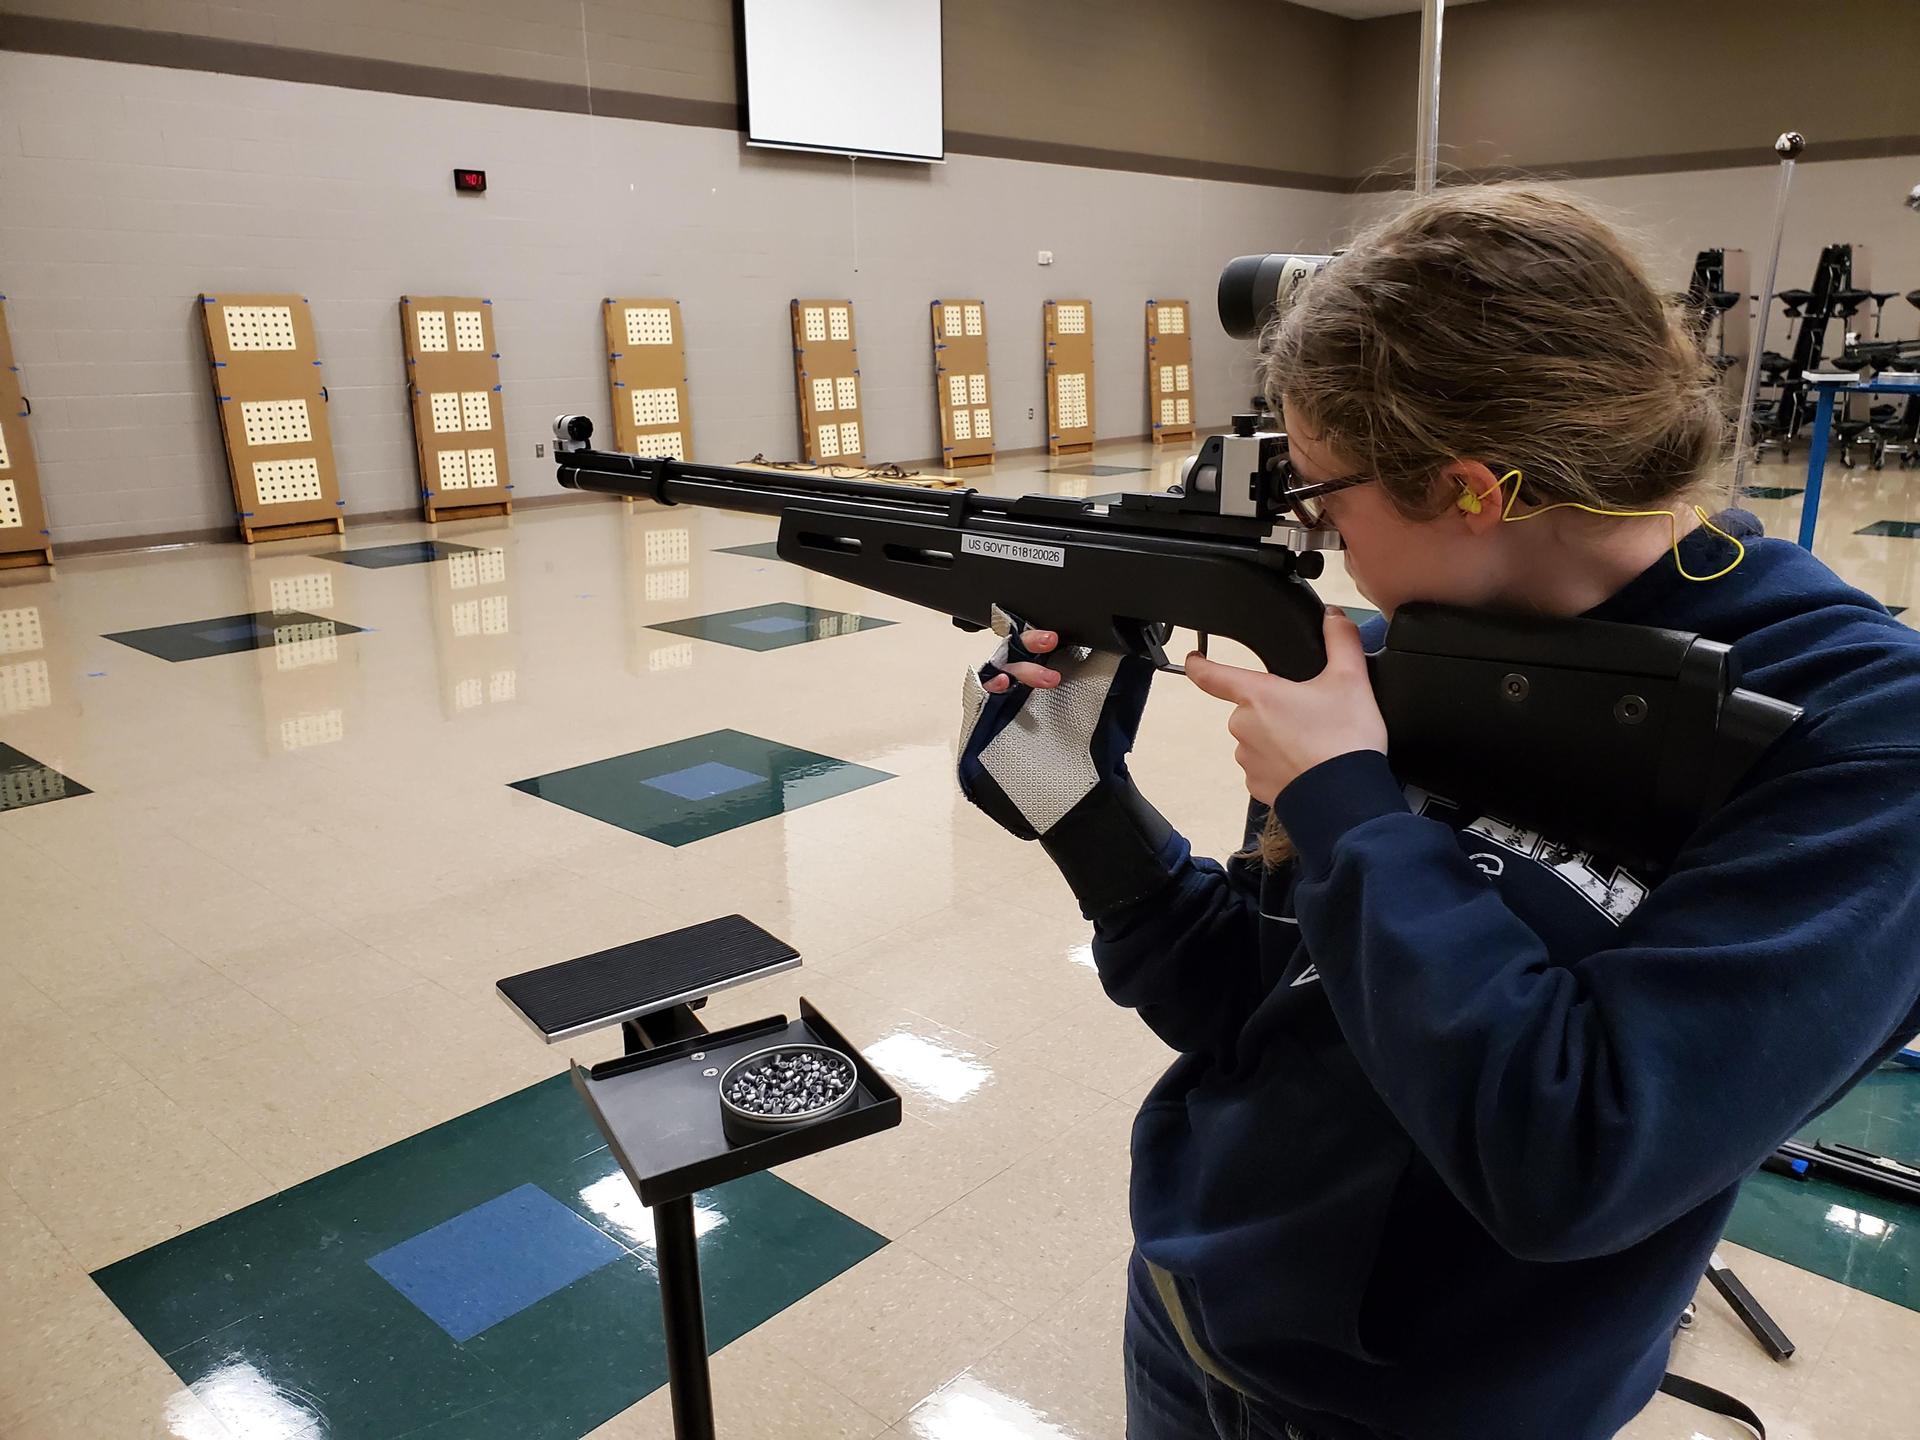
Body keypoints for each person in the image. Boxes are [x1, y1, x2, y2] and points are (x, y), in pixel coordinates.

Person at [956, 184, 1920, 1440]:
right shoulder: (1417, 659)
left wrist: (1347, 804)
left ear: (1470, 491)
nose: (1311, 545)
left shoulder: (1862, 745)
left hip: (1432, 1406)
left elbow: (1578, 1156)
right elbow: (1261, 1009)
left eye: (1321, 499)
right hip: (1195, 1317)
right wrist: (1077, 805)